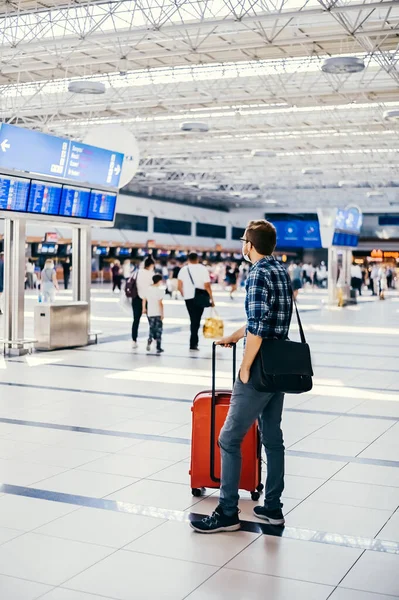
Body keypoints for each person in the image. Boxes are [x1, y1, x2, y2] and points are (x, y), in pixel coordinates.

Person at [191, 220, 292, 533]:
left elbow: (259, 327)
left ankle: (227, 512)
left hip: (259, 367)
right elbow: (265, 320)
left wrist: (245, 366)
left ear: (250, 244)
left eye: (244, 241)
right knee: (273, 438)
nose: (242, 247)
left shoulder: (258, 273)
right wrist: (236, 336)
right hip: (280, 365)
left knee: (229, 438)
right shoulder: (280, 271)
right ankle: (272, 507)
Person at [178, 252, 215, 351]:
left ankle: (193, 341)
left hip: (188, 298)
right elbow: (207, 285)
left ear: (188, 259)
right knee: (196, 319)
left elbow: (179, 285)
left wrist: (184, 293)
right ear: (197, 259)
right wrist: (212, 298)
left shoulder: (183, 269)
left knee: (193, 319)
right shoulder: (203, 269)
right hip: (200, 297)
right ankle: (193, 343)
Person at [132, 256, 155, 349]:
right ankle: (150, 340)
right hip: (149, 300)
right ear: (151, 265)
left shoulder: (137, 272)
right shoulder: (151, 274)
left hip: (137, 299)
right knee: (151, 322)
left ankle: (134, 341)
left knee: (136, 321)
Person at [142, 274, 164, 354]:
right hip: (157, 312)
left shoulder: (148, 289)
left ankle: (149, 340)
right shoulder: (159, 290)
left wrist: (144, 308)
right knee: (158, 330)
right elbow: (160, 303)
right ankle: (158, 347)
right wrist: (162, 314)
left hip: (150, 312)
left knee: (151, 328)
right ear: (159, 281)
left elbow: (144, 299)